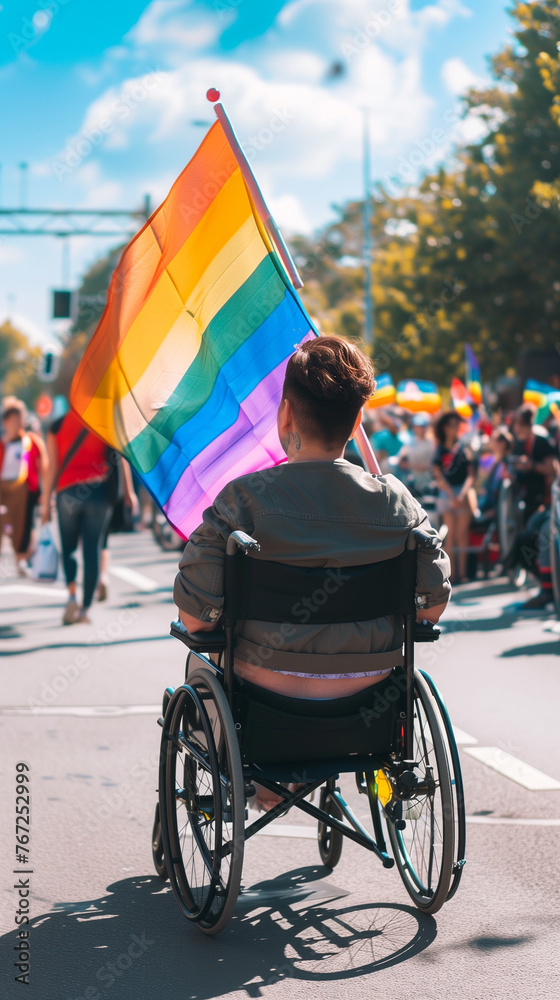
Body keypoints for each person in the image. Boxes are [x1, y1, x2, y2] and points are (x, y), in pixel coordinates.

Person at [173, 336, 451, 808]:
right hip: (371, 703)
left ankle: (264, 785)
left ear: (285, 415)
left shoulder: (242, 502)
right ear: (357, 420)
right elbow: (432, 607)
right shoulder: (397, 503)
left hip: (266, 701)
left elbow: (197, 619)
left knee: (198, 661)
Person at [41, 409, 116, 625]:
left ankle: (72, 595)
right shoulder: (103, 422)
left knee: (69, 548)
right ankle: (85, 610)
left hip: (68, 492)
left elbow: (52, 468)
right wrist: (128, 493)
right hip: (99, 490)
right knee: (92, 549)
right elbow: (118, 459)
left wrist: (46, 502)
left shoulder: (56, 425)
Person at [507, 404, 559, 609]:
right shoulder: (521, 443)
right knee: (524, 544)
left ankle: (549, 590)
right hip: (531, 500)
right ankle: (547, 588)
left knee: (537, 539)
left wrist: (532, 466)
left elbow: (553, 470)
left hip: (545, 502)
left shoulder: (542, 440)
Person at [0, 397, 48, 573]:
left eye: (19, 419)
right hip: (3, 489)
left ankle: (21, 559)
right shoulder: (2, 444)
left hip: (25, 490)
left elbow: (43, 467)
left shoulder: (31, 442)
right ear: (5, 422)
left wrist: (45, 492)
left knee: (23, 527)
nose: (16, 423)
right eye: (12, 419)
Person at [433, 411, 475, 584]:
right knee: (450, 535)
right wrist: (452, 495)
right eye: (451, 425)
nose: (455, 428)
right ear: (444, 427)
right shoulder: (440, 449)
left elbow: (471, 475)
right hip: (447, 494)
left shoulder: (464, 448)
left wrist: (462, 494)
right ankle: (452, 575)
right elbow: (438, 476)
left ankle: (463, 573)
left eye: (457, 425)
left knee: (462, 535)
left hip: (462, 494)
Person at [395, 412, 435, 497]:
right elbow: (400, 462)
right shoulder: (409, 443)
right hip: (414, 481)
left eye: (423, 426)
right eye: (418, 426)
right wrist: (414, 466)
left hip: (431, 480)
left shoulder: (433, 443)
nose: (421, 429)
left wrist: (427, 466)